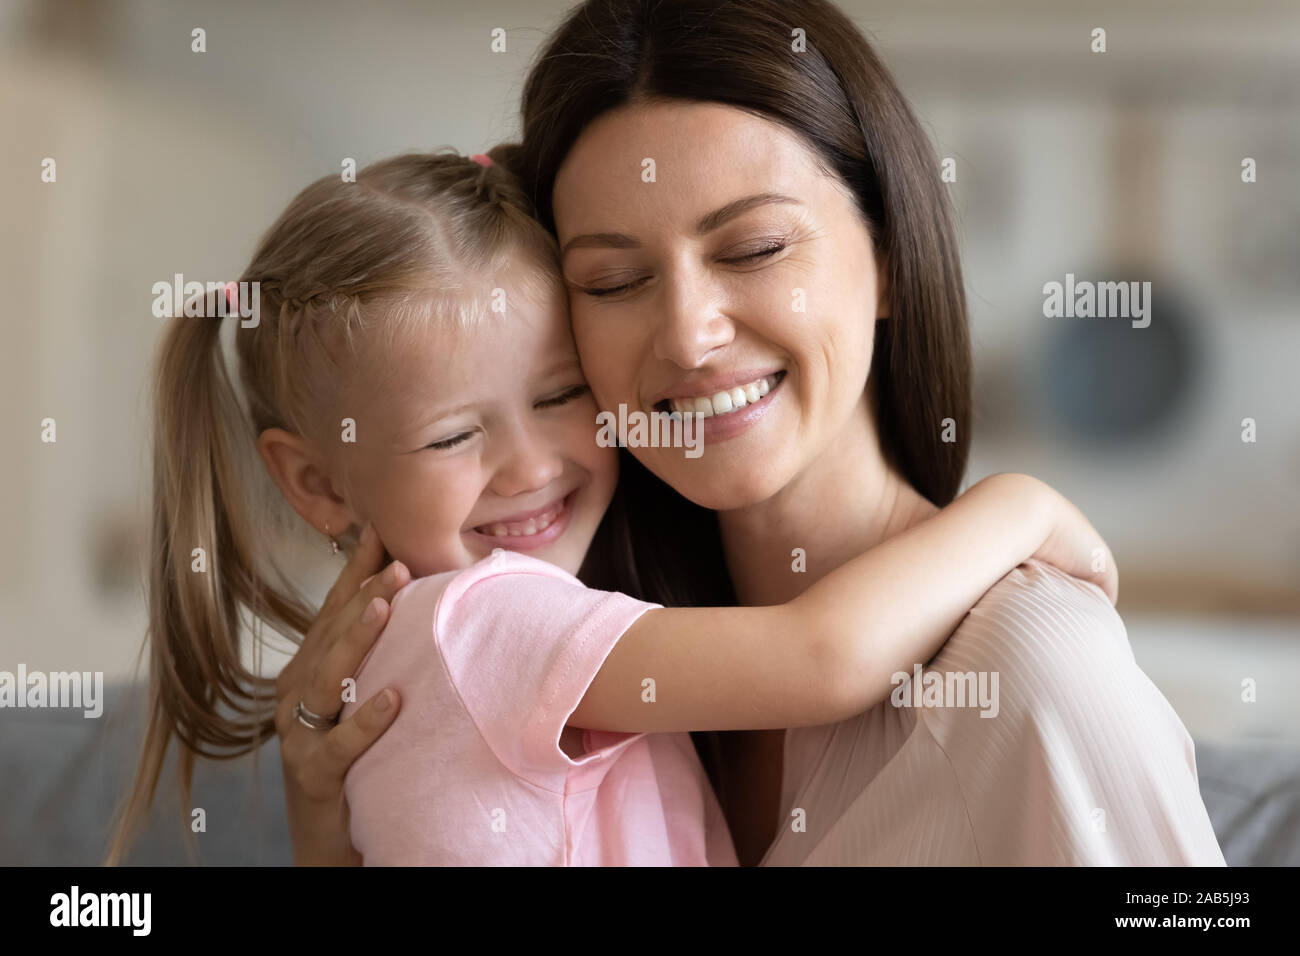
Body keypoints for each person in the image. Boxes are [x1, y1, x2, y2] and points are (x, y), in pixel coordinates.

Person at [281, 0, 1226, 866]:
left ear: (890, 254)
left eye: (757, 248)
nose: (689, 335)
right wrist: (321, 810)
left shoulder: (1038, 673)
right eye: (612, 281)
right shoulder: (581, 629)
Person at [106, 147, 1114, 866]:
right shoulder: (488, 617)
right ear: (318, 481)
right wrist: (1014, 504)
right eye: (456, 435)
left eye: (560, 396)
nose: (529, 465)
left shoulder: (400, 654)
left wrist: (313, 808)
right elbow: (822, 656)